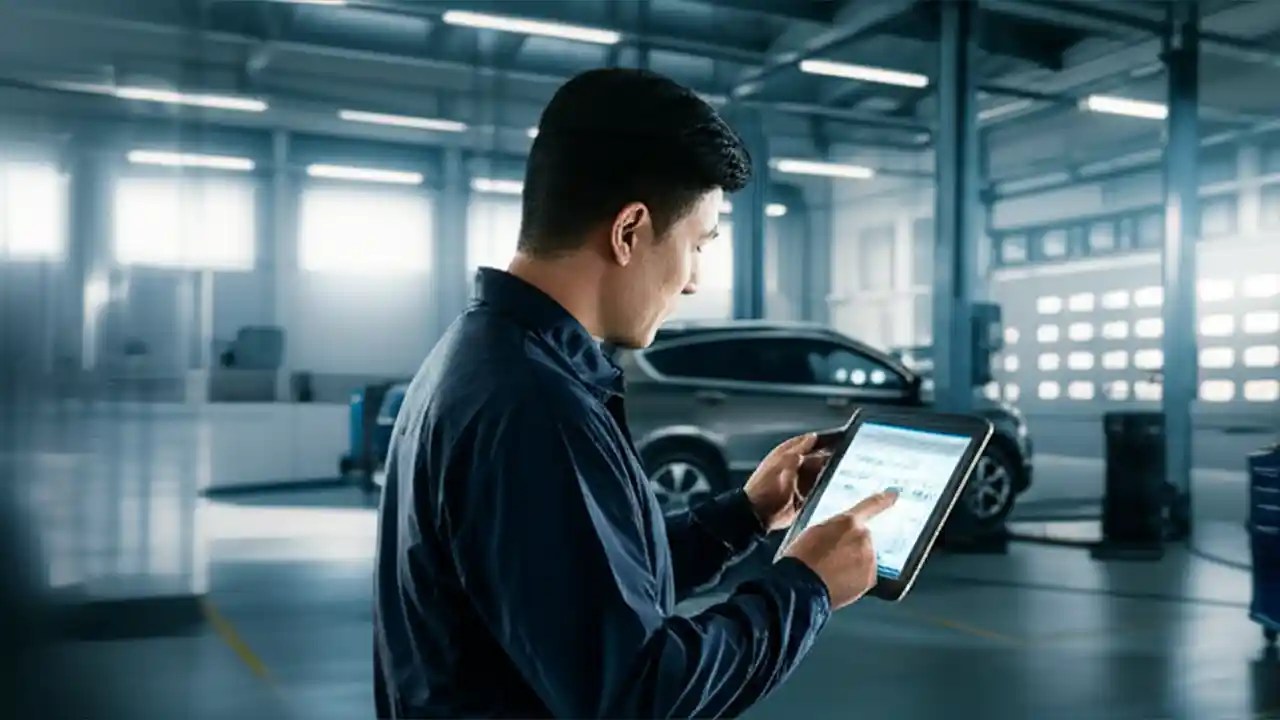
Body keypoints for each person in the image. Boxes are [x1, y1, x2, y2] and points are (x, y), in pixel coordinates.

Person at [373, 67, 898, 719]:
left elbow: (581, 591)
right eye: (697, 246)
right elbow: (639, 695)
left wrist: (745, 515)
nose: (693, 283)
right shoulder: (535, 406)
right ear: (629, 232)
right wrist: (808, 587)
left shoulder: (483, 355)